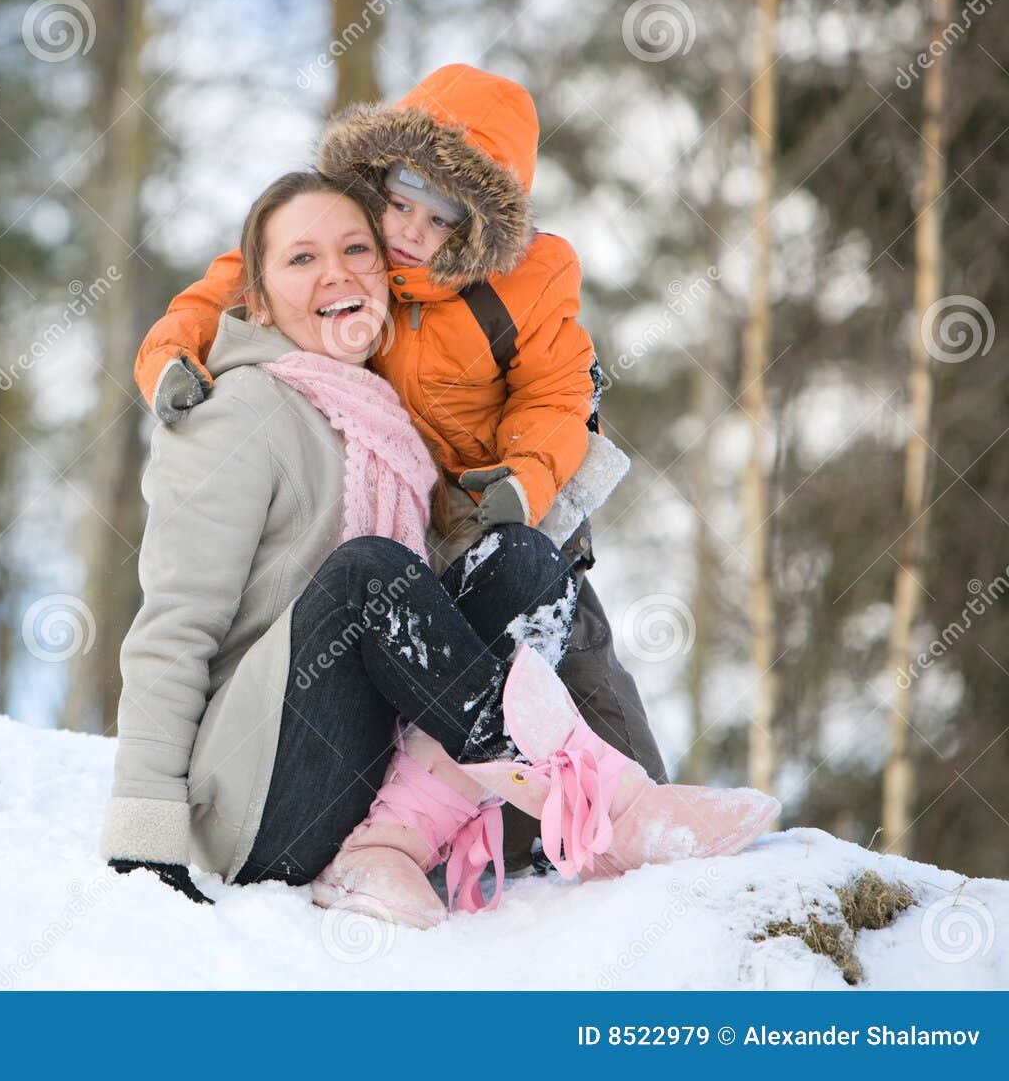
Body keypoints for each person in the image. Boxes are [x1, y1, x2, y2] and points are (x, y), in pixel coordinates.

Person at [98, 170, 779, 928]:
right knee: (371, 574)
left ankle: (389, 844)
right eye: (300, 259)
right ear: (254, 299)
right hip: (265, 801)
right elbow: (173, 627)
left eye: (357, 248)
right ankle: (607, 800)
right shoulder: (236, 410)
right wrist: (143, 835)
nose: (335, 272)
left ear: (386, 276)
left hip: (368, 785)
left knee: (522, 561)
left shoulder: (392, 430)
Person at [132, 64, 670, 873]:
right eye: (398, 203)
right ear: (376, 177)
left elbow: (557, 394)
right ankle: (529, 787)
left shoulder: (522, 281)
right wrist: (170, 355)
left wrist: (523, 479)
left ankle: (596, 809)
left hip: (507, 513)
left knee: (590, 693)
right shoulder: (345, 254)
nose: (406, 233)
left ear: (479, 225)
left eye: (438, 219)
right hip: (403, 560)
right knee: (377, 591)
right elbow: (227, 287)